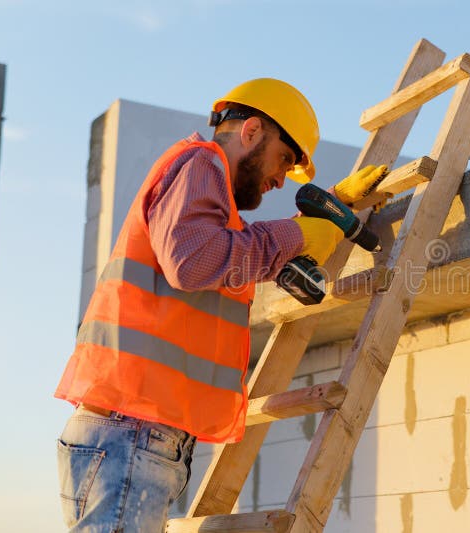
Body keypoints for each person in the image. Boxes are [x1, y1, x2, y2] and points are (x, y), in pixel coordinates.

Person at [54, 78, 387, 532]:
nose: (281, 179)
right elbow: (194, 262)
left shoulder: (203, 190)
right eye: (284, 159)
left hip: (128, 430)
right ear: (251, 131)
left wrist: (323, 215)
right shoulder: (201, 162)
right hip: (132, 429)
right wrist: (299, 236)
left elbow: (222, 252)